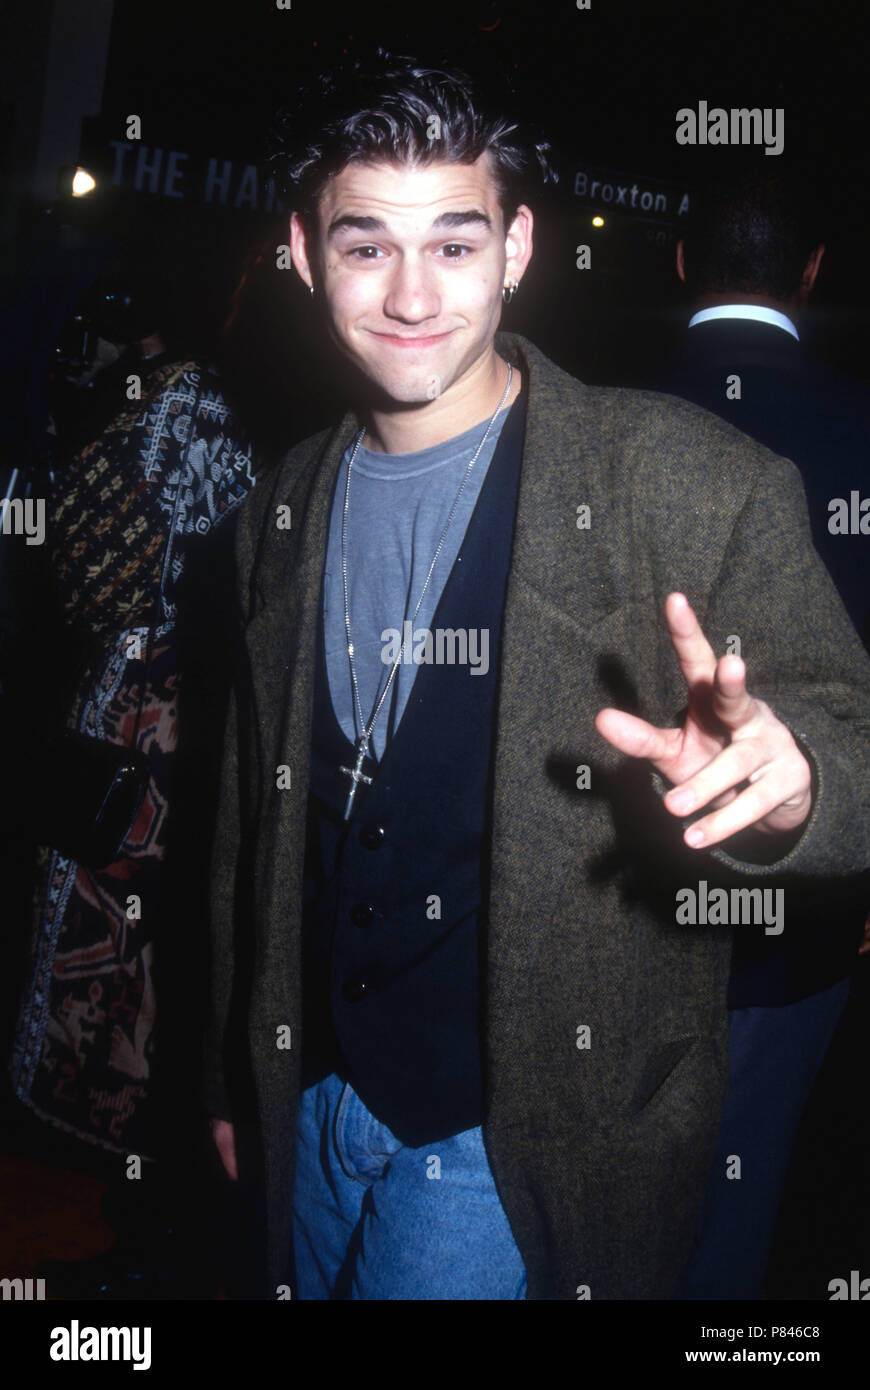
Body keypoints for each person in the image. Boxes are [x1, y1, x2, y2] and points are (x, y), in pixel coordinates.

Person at [204, 54, 870, 1300]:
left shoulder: (690, 475)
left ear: (517, 249)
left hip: (514, 1134)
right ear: (301, 252)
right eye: (366, 246)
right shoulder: (276, 506)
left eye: (455, 246)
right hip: (312, 1097)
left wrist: (802, 784)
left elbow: (851, 735)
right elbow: (250, 832)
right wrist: (236, 1074)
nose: (412, 295)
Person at [654, 171, 870, 1298]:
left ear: (684, 260)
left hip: (594, 909)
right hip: (801, 920)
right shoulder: (861, 429)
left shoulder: (576, 406)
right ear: (815, 269)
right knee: (732, 1214)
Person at [6, 359, 258, 1296]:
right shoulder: (309, 415)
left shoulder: (168, 401)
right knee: (184, 986)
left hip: (146, 727)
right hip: (203, 731)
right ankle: (162, 1235)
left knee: (148, 989)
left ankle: (155, 1234)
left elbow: (71, 566)